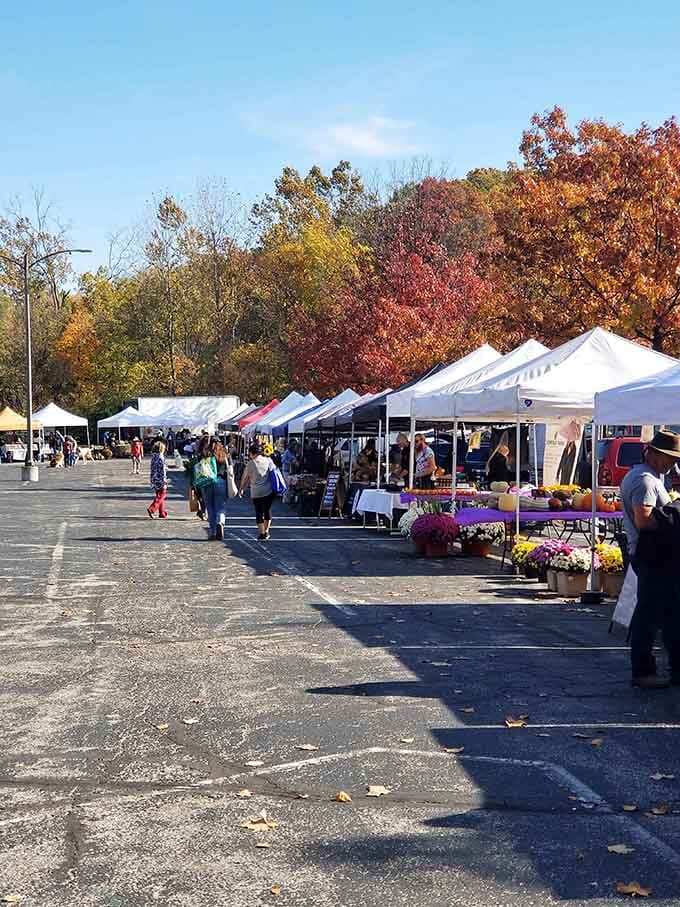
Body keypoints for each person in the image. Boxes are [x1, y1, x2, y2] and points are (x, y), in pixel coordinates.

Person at [620, 430, 680, 689]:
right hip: (651, 557)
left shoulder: (648, 477)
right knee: (649, 615)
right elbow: (644, 520)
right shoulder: (645, 481)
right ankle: (643, 671)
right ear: (653, 454)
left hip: (654, 557)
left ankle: (665, 668)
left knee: (664, 614)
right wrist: (674, 518)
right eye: (668, 458)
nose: (671, 463)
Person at [240, 442, 276, 541]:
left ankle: (262, 533)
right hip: (268, 490)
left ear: (252, 453)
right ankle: (267, 531)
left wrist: (241, 488)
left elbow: (245, 478)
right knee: (267, 510)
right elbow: (274, 472)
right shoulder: (268, 460)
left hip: (256, 492)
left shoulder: (250, 463)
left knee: (259, 512)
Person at [193, 436, 221, 540]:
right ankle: (220, 522)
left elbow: (196, 470)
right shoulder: (218, 453)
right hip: (217, 481)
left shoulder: (201, 455)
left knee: (210, 507)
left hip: (205, 483)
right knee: (218, 506)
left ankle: (213, 531)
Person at [147, 441, 168, 519]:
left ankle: (162, 513)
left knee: (159, 495)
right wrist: (165, 480)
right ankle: (152, 509)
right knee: (162, 495)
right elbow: (163, 470)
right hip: (160, 479)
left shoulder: (153, 457)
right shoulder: (161, 457)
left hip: (154, 478)